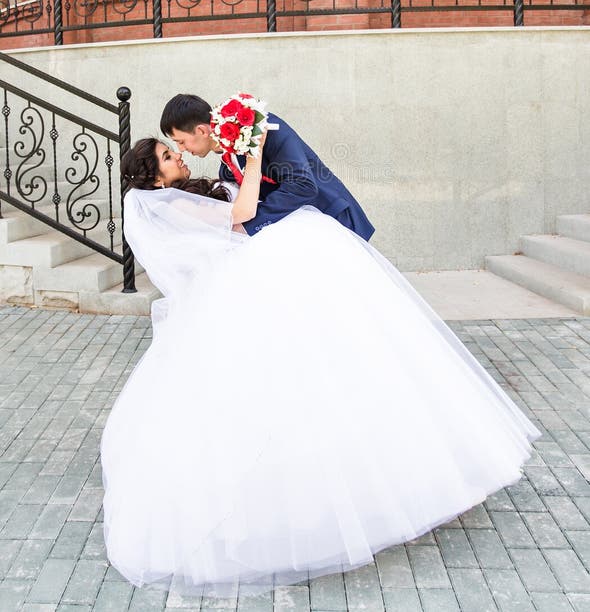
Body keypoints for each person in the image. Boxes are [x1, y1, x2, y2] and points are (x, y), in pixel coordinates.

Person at [101, 134, 540, 599]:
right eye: (169, 157)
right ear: (153, 177)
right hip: (245, 283)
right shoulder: (173, 205)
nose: (180, 156)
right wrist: (252, 158)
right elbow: (241, 214)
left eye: (176, 149)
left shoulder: (186, 193)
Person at [159, 93, 375, 239]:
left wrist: (248, 226)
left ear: (202, 131)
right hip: (298, 235)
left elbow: (303, 185)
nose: (182, 149)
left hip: (333, 221)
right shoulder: (225, 164)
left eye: (180, 141)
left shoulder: (263, 129)